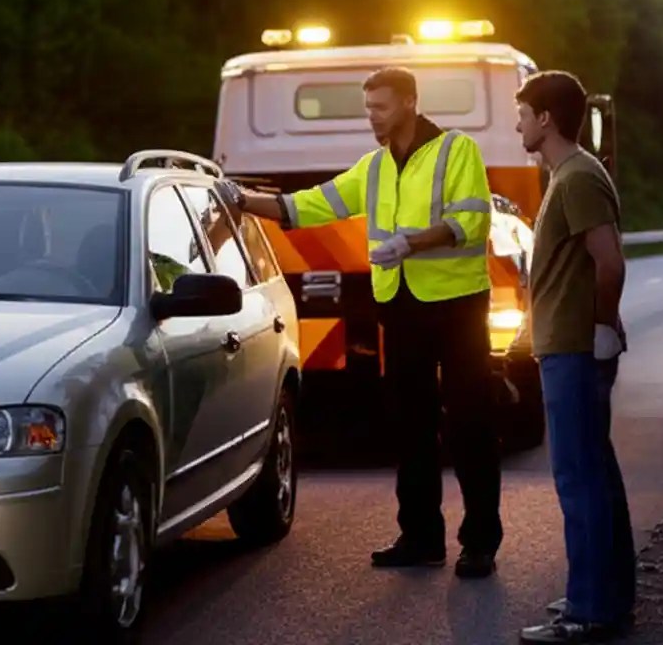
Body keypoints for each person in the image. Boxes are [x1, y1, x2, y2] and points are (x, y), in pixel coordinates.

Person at [215, 66, 503, 578]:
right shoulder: (373, 168)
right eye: (368, 107)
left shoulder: (456, 151)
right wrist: (244, 201)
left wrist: (410, 242)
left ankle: (479, 542)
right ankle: (420, 537)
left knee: (470, 424)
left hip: (457, 305)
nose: (372, 116)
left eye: (382, 107)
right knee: (411, 425)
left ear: (411, 103)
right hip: (402, 305)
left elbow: (472, 221)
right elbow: (308, 205)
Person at [513, 71, 635, 643]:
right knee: (597, 474)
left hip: (576, 349)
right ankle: (607, 596)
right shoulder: (567, 174)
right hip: (564, 343)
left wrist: (601, 327)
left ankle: (589, 611)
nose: (517, 122)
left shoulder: (579, 176)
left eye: (523, 113)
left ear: (546, 119)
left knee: (579, 478)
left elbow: (608, 262)